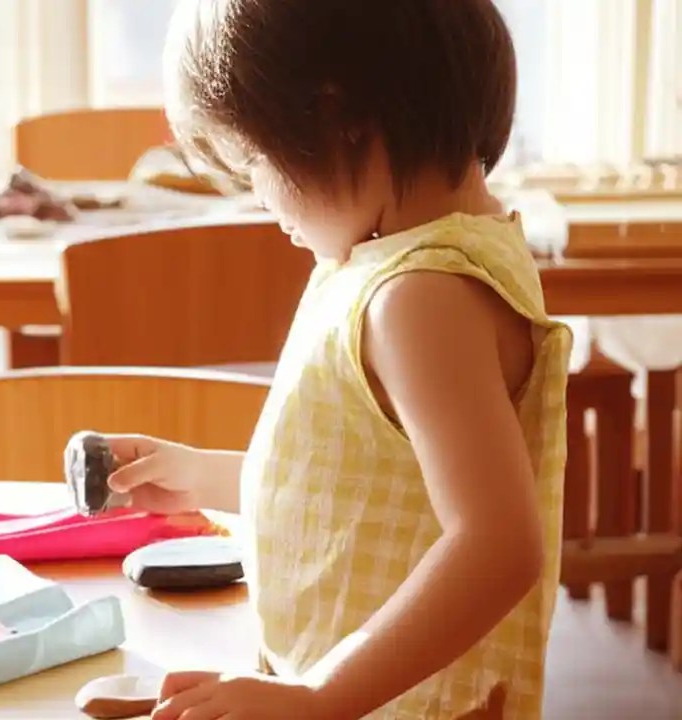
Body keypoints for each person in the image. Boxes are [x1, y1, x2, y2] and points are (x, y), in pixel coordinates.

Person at [109, 1, 572, 718]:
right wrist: (201, 475)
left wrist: (317, 694)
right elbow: (361, 482)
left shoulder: (420, 295)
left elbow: (499, 544)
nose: (261, 199)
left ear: (337, 115)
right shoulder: (389, 261)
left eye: (254, 165)